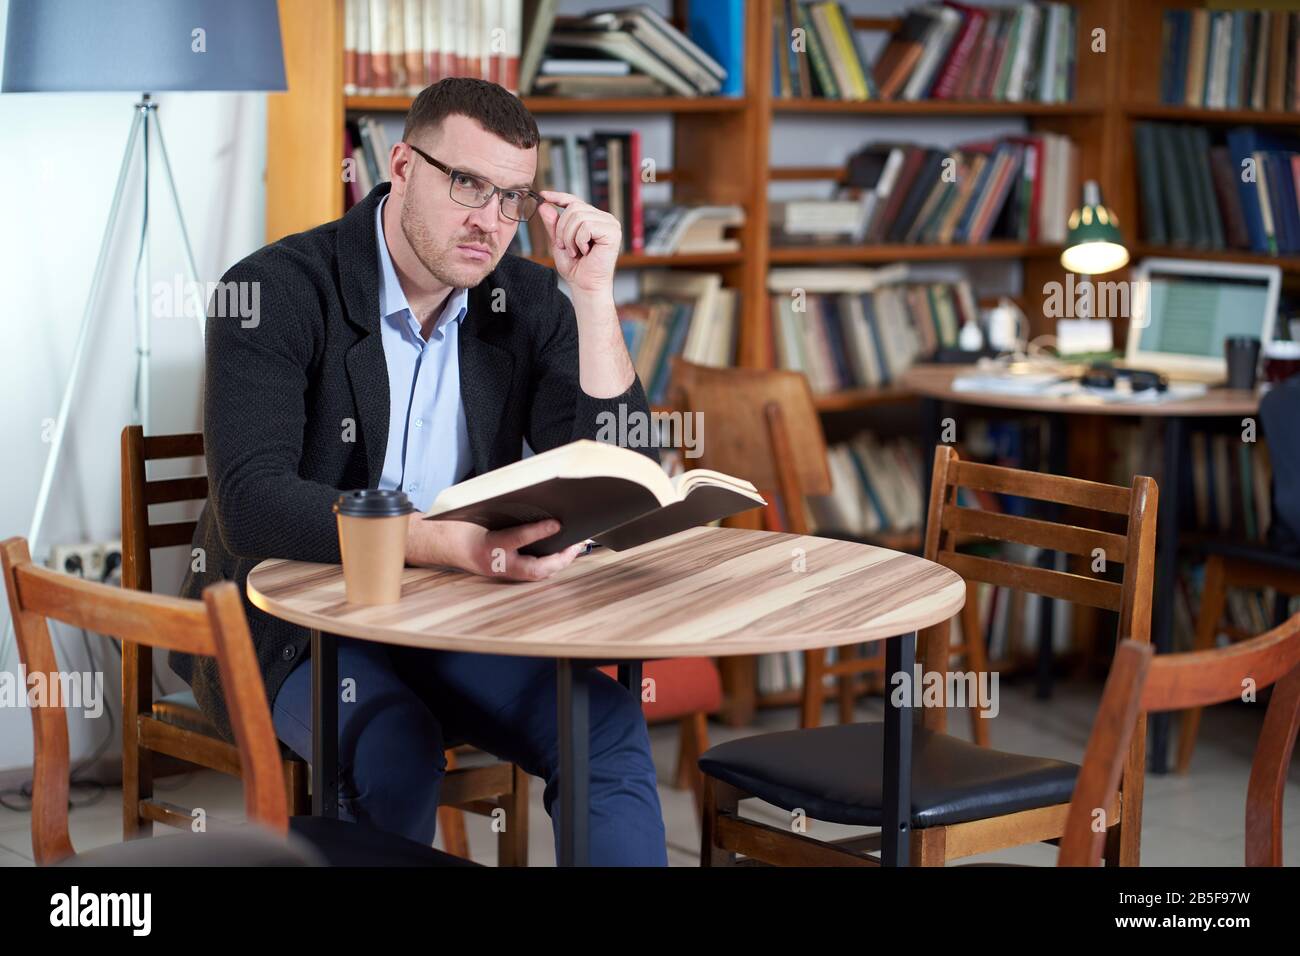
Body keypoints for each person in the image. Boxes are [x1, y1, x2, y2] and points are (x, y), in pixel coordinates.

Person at [172, 77, 667, 865]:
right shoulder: (272, 291)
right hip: (294, 628)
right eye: (466, 184)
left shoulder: (527, 300)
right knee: (392, 743)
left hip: (459, 618)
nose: (489, 221)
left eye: (512, 198)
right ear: (400, 164)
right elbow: (253, 506)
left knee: (602, 726)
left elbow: (628, 476)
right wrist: (447, 545)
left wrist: (596, 301)